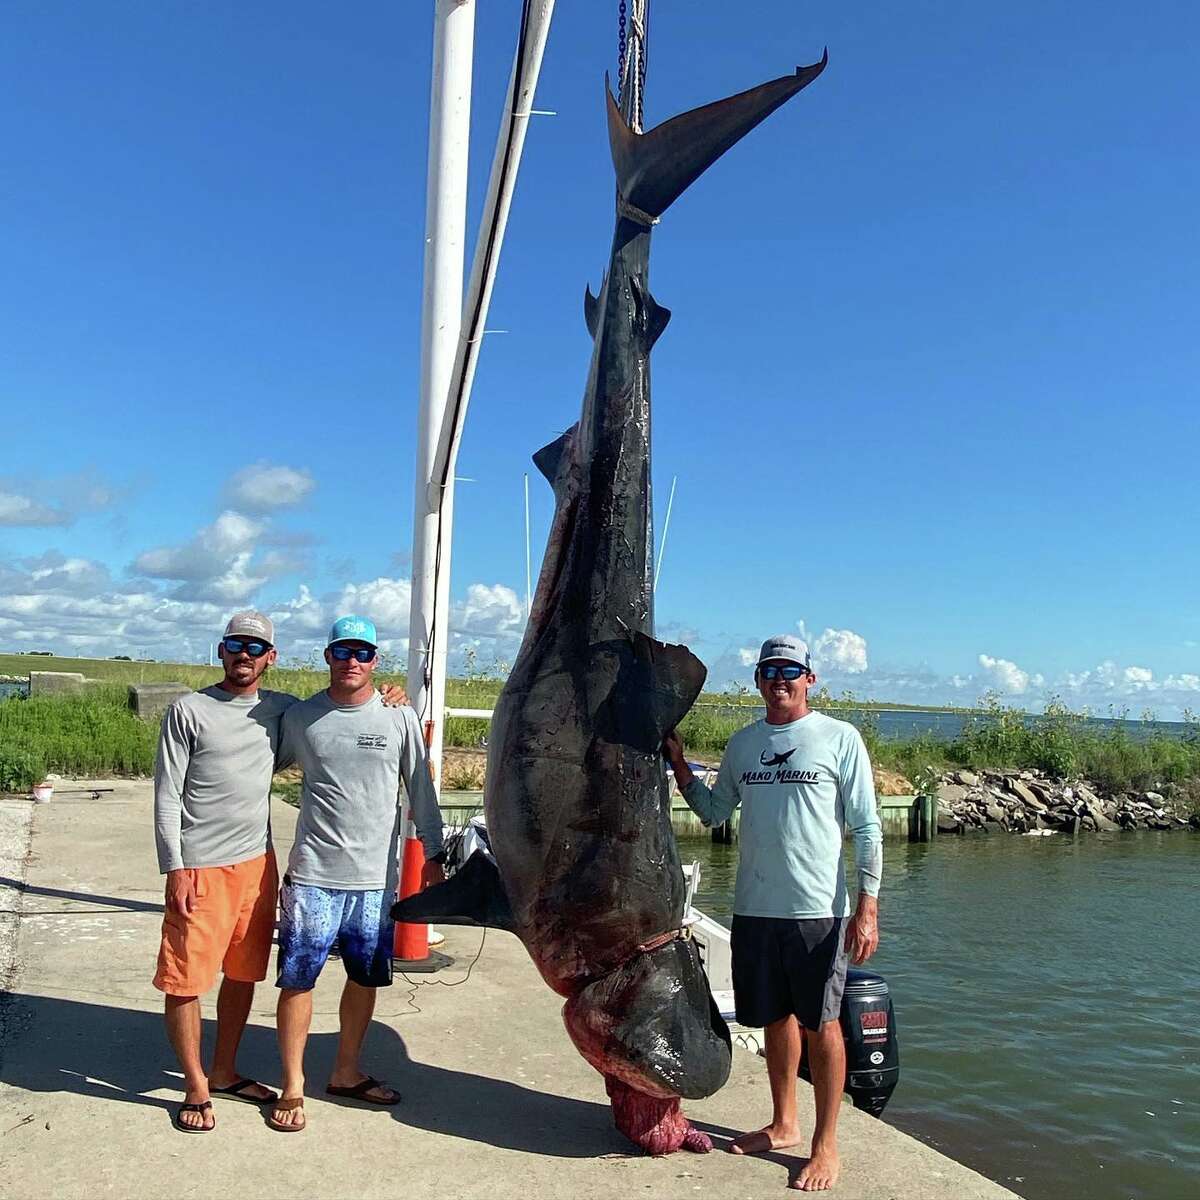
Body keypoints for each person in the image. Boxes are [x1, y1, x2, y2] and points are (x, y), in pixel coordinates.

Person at [662, 634, 882, 1192]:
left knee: (822, 1023)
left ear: (810, 679)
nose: (779, 680)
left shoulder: (840, 738)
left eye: (790, 671)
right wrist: (681, 766)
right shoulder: (743, 744)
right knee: (775, 1018)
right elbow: (715, 813)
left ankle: (825, 1144)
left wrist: (867, 906)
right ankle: (784, 1123)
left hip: (818, 913)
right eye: (769, 671)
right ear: (758, 680)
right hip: (755, 909)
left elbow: (867, 827)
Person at [268, 615, 446, 1133]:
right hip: (312, 874)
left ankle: (346, 1071)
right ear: (328, 656)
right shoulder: (300, 717)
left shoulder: (398, 716)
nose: (352, 661)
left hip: (374, 879)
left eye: (363, 653)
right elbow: (253, 764)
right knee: (298, 979)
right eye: (343, 651)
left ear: (375, 660)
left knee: (364, 977)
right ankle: (293, 1084)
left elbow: (420, 788)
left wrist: (434, 854)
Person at [152, 611, 292, 1133]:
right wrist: (176, 866)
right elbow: (167, 794)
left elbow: (336, 712)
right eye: (236, 644)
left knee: (243, 971)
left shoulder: (281, 710)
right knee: (185, 978)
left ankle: (225, 1070)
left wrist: (390, 698)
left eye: (256, 647)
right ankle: (195, 1085)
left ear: (270, 657)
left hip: (257, 864)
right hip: (200, 867)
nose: (244, 655)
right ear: (221, 650)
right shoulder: (189, 710)